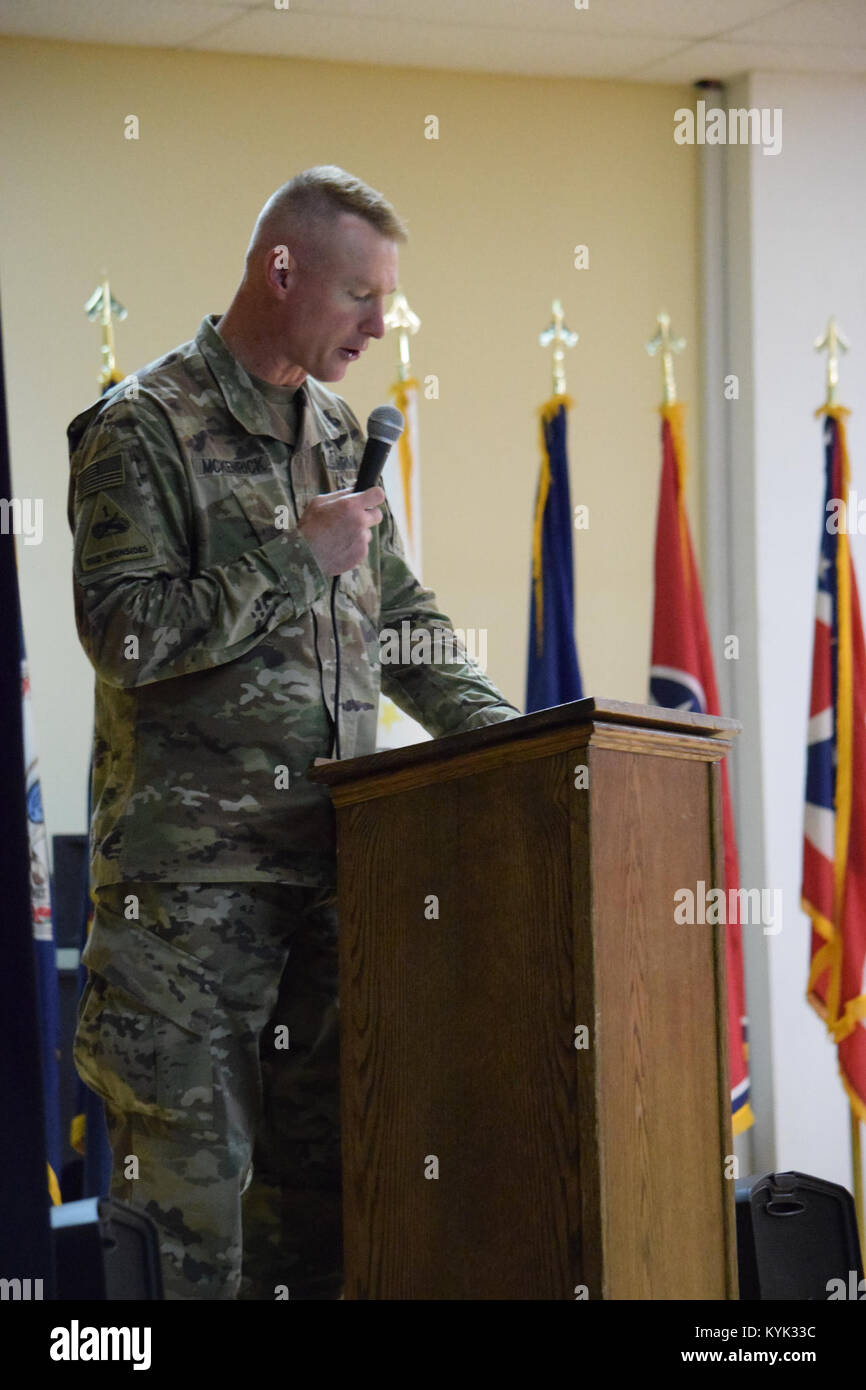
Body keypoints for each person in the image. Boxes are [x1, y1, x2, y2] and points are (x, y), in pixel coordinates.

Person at [68, 165, 521, 1301]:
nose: (381, 323)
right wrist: (288, 560)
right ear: (282, 269)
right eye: (361, 296)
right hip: (186, 913)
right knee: (187, 1239)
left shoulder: (333, 431)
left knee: (321, 1231)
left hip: (329, 893)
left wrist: (525, 749)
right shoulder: (144, 426)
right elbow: (123, 635)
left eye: (387, 300)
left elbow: (403, 622)